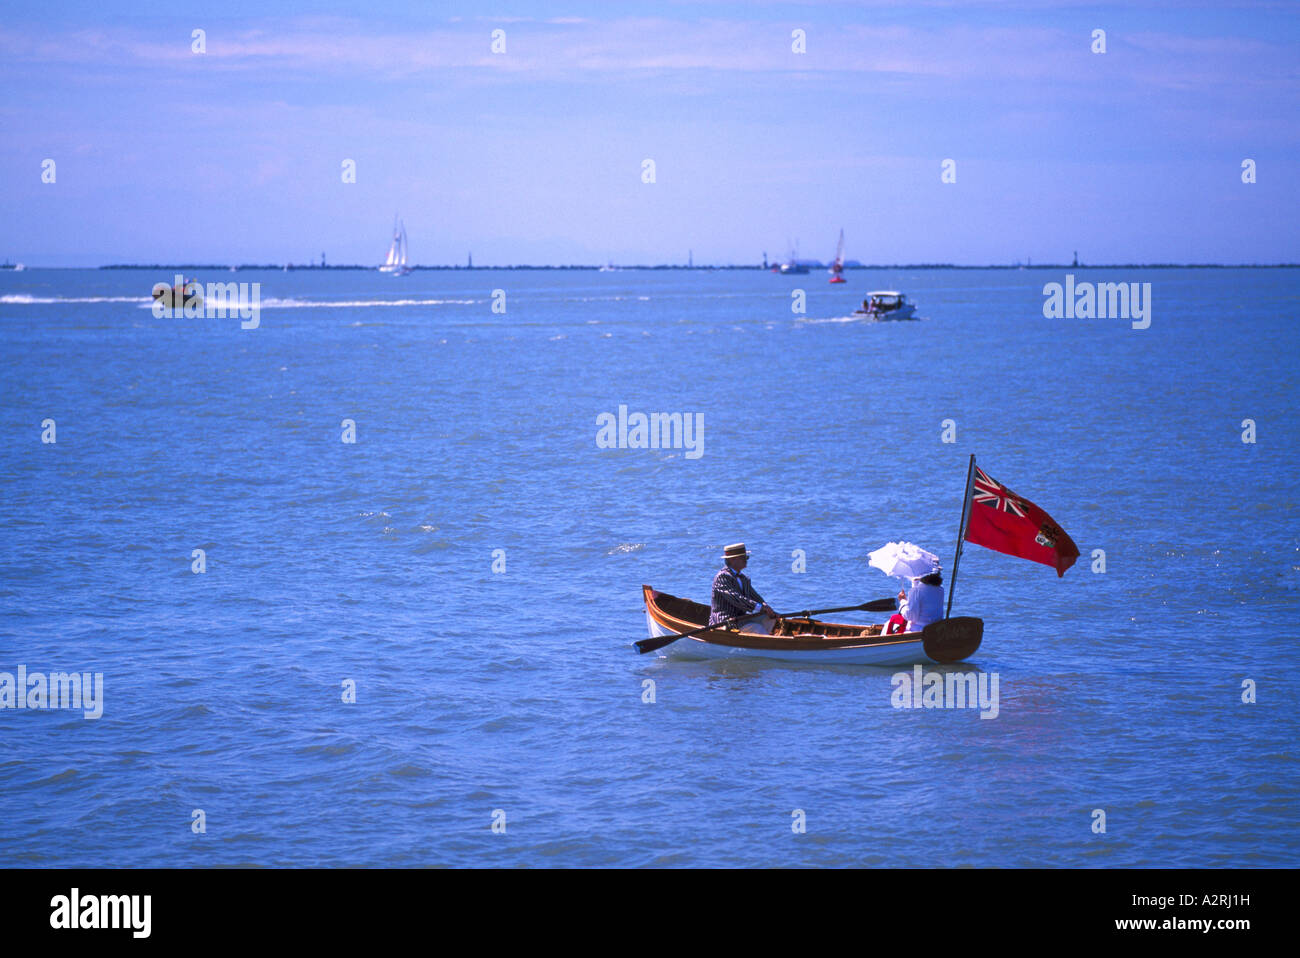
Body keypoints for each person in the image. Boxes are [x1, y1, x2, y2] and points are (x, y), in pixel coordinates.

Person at [710, 543, 779, 633]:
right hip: (725, 621)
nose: (746, 560)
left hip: (740, 619)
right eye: (744, 557)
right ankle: (763, 640)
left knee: (769, 618)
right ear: (732, 559)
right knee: (757, 628)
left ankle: (757, 641)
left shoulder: (744, 578)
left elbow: (755, 597)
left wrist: (768, 609)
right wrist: (760, 608)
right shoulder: (722, 577)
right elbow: (736, 598)